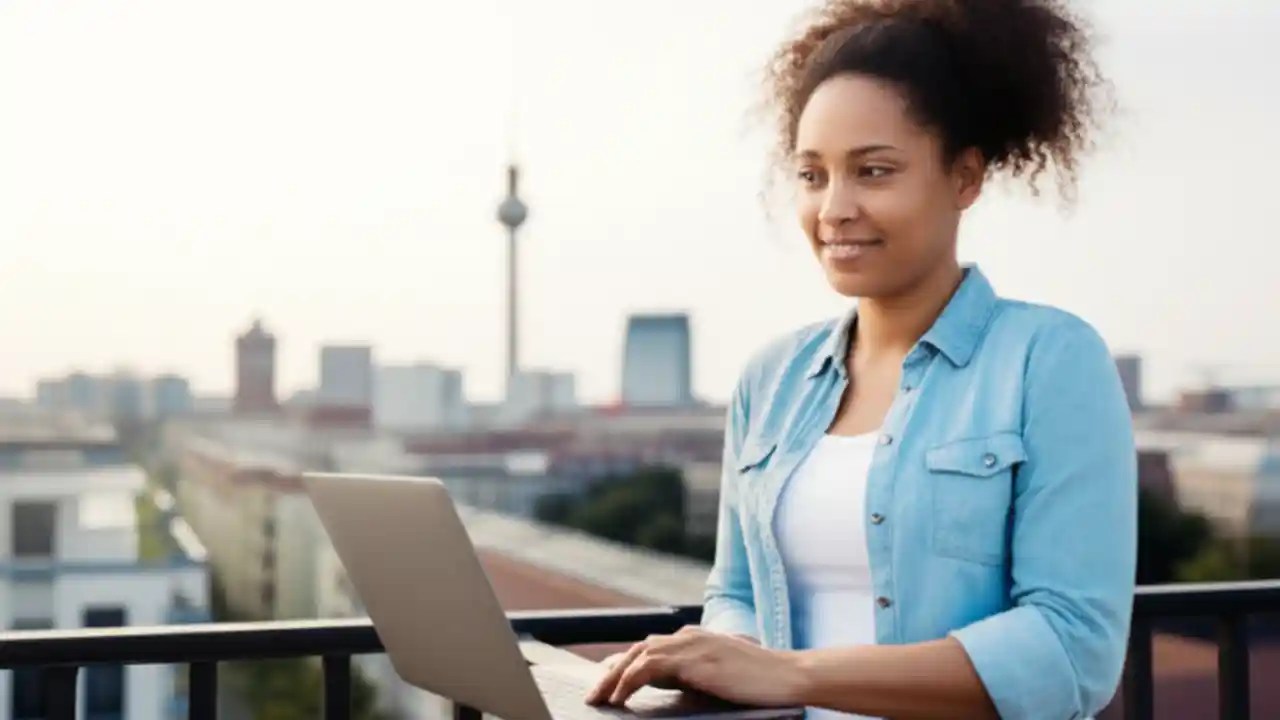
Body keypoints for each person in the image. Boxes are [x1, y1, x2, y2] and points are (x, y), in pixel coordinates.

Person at [586, 0, 1136, 718]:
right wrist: (721, 656)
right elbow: (738, 593)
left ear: (965, 178)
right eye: (812, 175)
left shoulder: (1051, 363)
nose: (834, 208)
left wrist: (795, 676)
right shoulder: (770, 379)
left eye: (873, 172)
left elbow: (1070, 651)